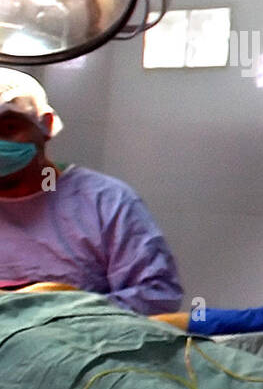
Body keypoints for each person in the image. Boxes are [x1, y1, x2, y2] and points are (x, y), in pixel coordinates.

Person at [0, 67, 183, 314]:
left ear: (46, 125)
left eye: (9, 128)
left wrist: (63, 314)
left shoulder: (105, 202)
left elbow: (157, 295)